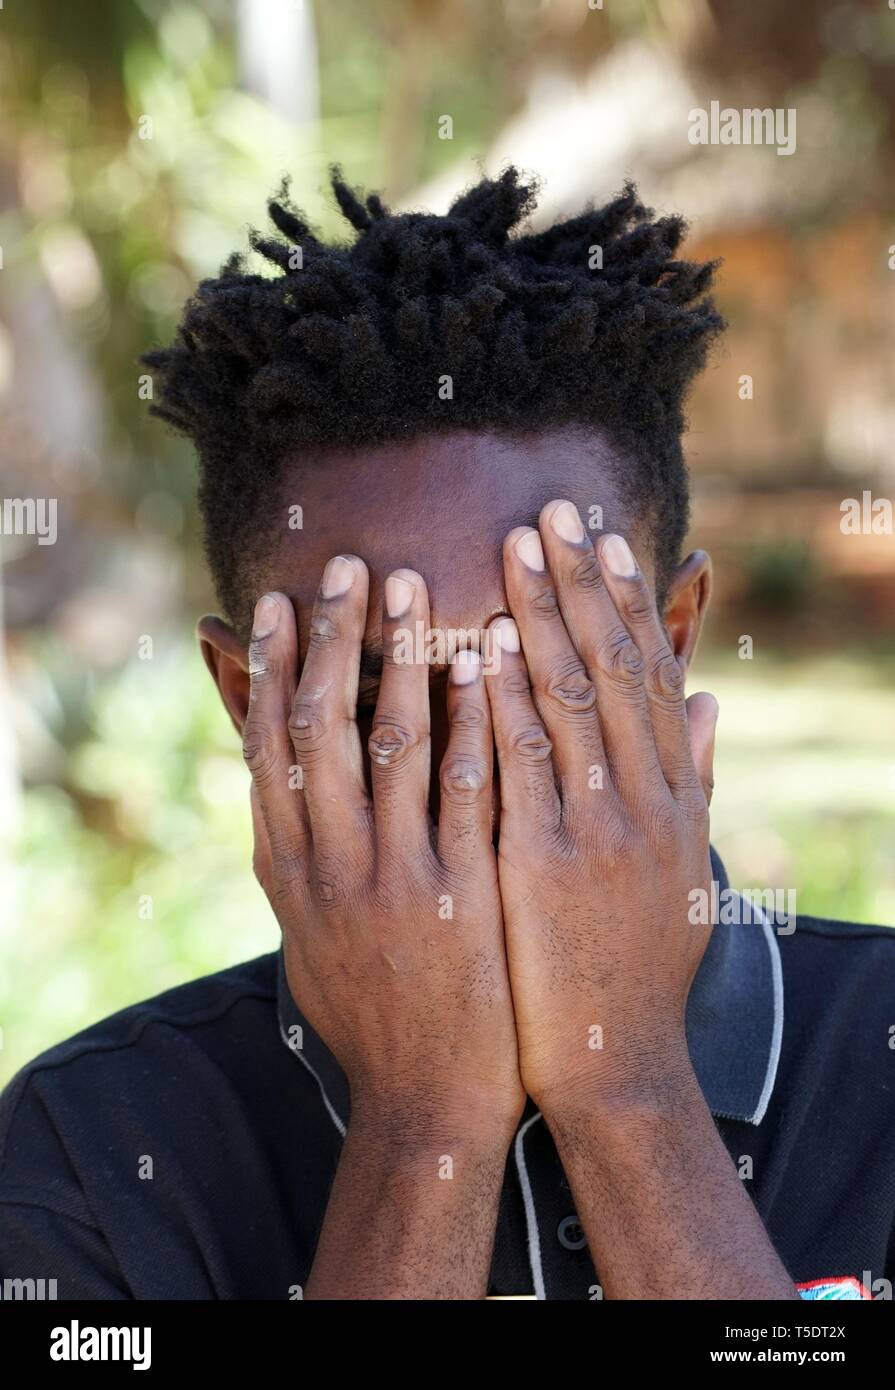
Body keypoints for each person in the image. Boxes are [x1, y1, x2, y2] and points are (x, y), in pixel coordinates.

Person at [1, 169, 891, 1301]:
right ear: (247, 700)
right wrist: (421, 1126)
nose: (476, 769)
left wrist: (629, 1100)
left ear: (667, 644)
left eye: (547, 672)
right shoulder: (90, 1157)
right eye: (386, 696)